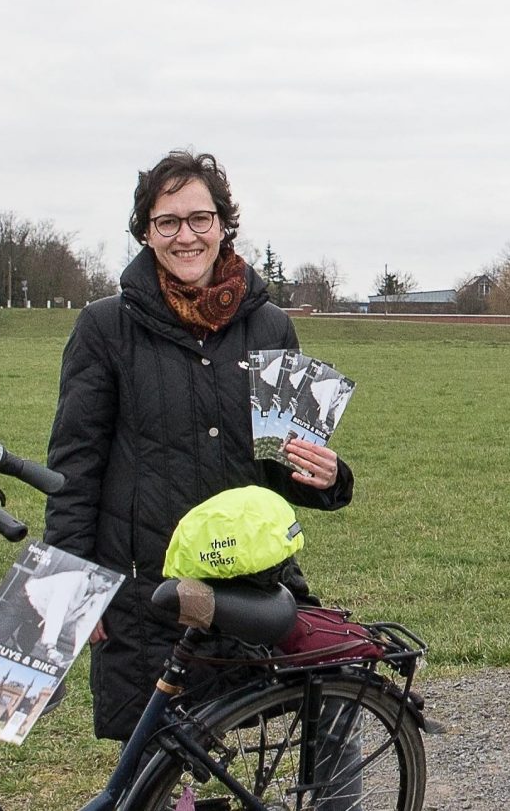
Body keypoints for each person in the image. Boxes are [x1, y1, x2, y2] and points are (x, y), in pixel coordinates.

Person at [44, 150, 354, 740]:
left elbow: (281, 466)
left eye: (200, 219)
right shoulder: (105, 327)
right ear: (146, 231)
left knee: (341, 696)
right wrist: (75, 584)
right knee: (157, 770)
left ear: (223, 225)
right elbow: (75, 466)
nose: (186, 236)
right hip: (151, 590)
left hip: (249, 584)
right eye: (168, 222)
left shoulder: (270, 327)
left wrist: (328, 474)